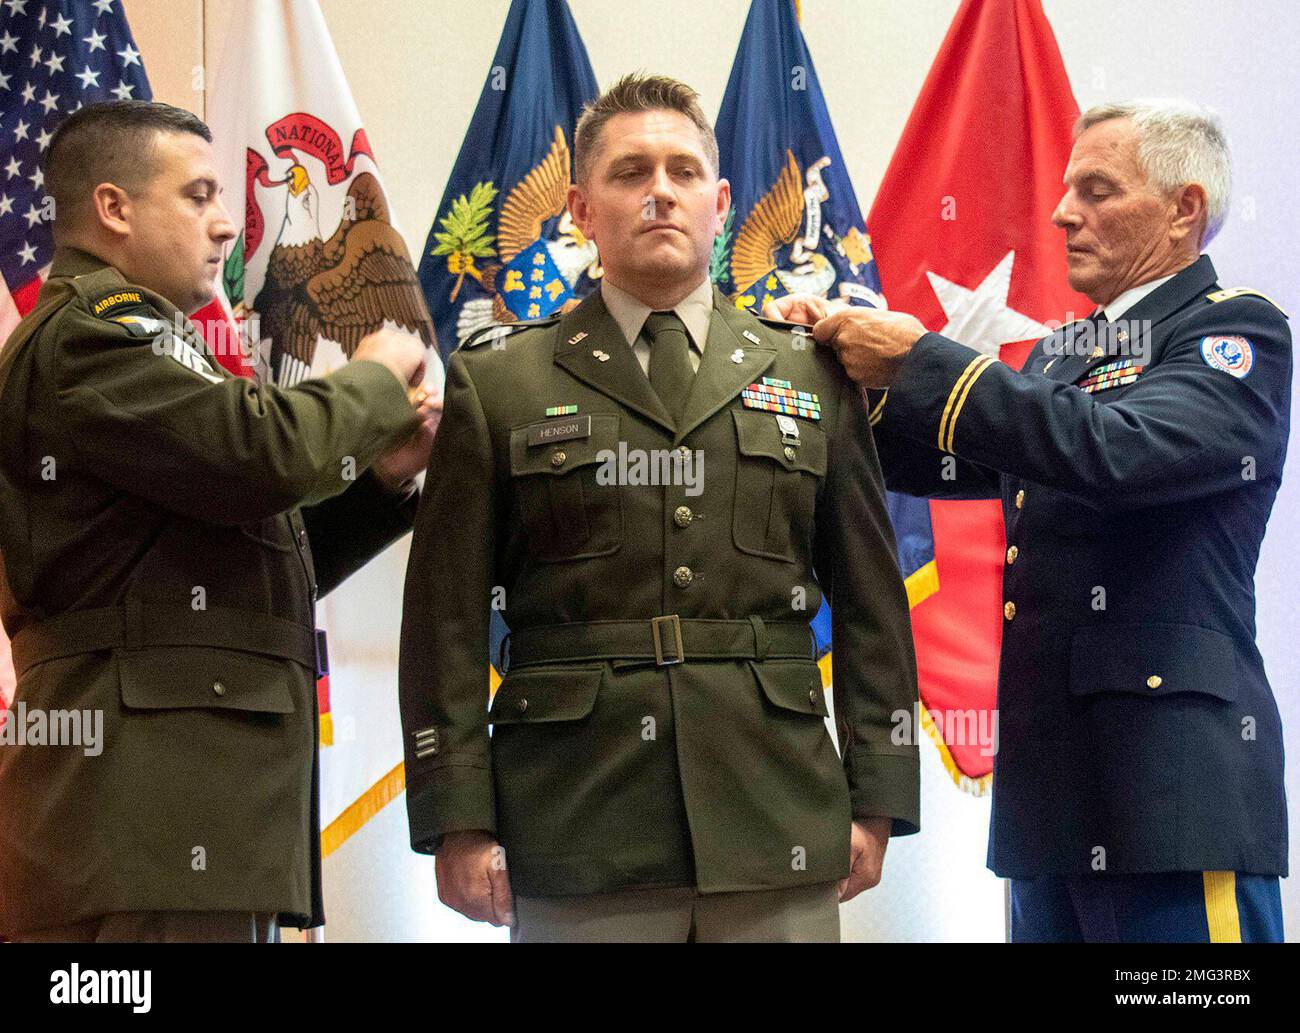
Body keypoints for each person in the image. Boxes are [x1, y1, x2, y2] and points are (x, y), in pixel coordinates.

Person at [399, 74, 920, 943]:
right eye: (631, 172)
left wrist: (881, 794)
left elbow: (872, 598)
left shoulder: (810, 371)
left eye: (683, 172)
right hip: (575, 820)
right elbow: (446, 620)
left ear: (720, 203)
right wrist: (457, 814)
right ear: (580, 208)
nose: (660, 192)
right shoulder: (499, 382)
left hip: (776, 812)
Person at [769, 100, 1290, 942]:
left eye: (1097, 189)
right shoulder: (1064, 352)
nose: (1061, 213)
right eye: (1064, 188)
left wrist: (923, 358)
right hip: (1051, 799)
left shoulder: (1234, 331)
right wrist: (829, 383)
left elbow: (1114, 451)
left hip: (1172, 797)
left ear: (1183, 209)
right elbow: (958, 459)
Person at [0, 101, 438, 942]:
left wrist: (380, 477)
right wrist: (376, 378)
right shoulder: (97, 335)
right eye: (198, 195)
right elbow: (259, 454)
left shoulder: (150, 344)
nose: (227, 225)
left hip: (178, 818)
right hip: (140, 817)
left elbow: (255, 554)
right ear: (113, 207)